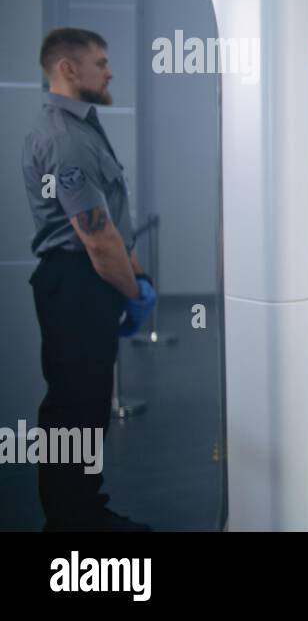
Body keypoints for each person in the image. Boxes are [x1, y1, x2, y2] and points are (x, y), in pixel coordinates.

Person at [21, 28, 156, 532]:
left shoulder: (84, 127)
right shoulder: (64, 138)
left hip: (87, 281)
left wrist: (134, 275)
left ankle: (81, 512)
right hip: (77, 283)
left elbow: (110, 224)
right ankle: (72, 525)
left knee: (86, 404)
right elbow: (97, 239)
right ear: (67, 69)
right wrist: (134, 291)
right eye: (100, 62)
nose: (110, 70)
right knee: (73, 408)